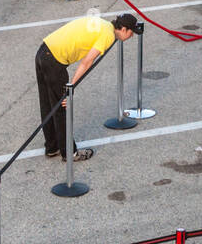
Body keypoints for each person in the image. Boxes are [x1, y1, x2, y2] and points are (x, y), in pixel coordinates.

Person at [36, 13, 138, 162]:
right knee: (61, 108)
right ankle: (69, 153)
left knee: (47, 103)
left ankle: (52, 147)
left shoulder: (102, 24)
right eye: (131, 32)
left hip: (43, 51)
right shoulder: (108, 35)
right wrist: (71, 87)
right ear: (123, 29)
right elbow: (87, 61)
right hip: (55, 60)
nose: (132, 36)